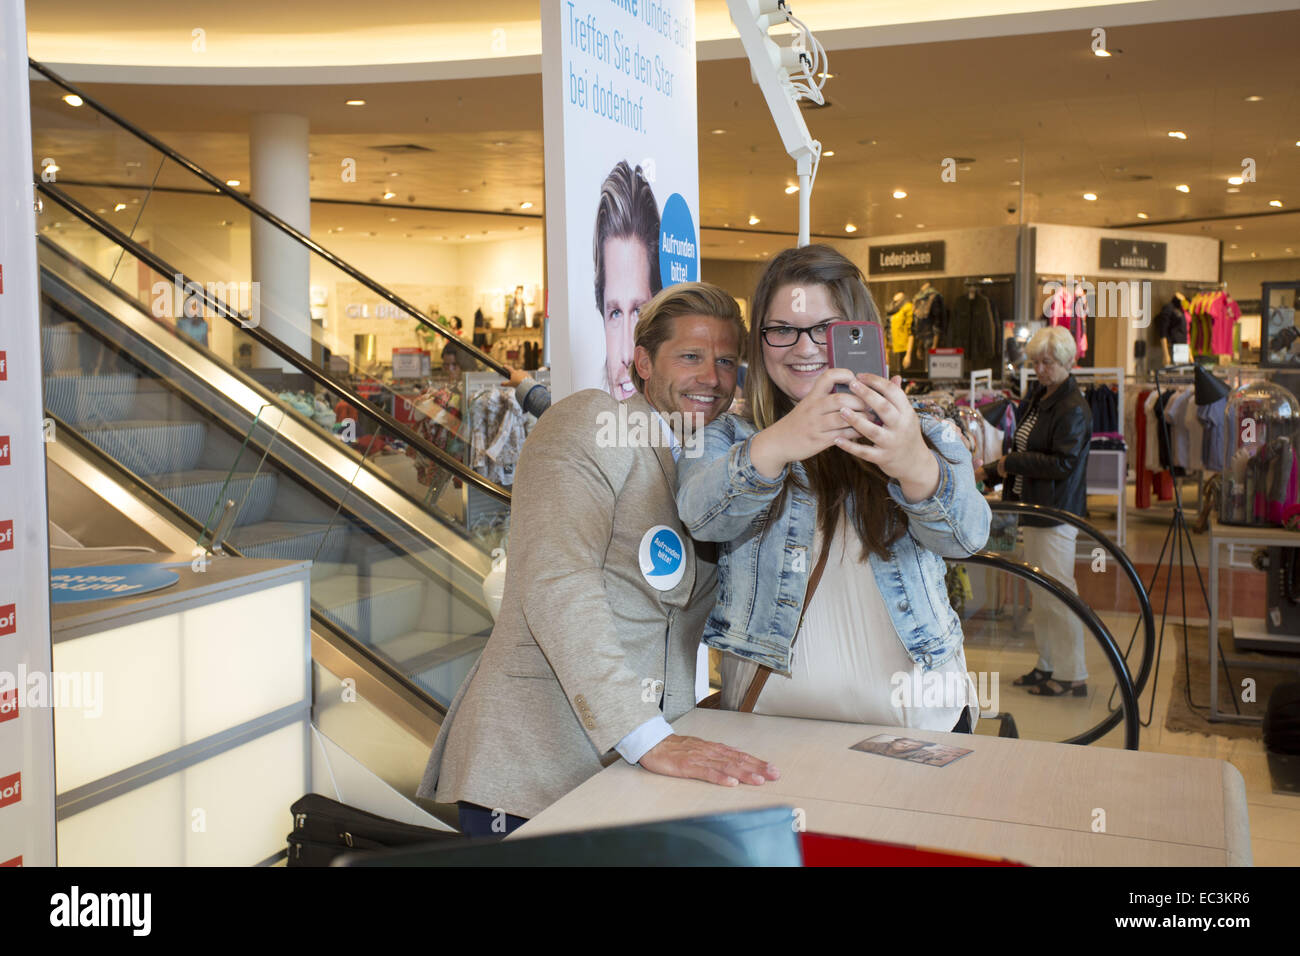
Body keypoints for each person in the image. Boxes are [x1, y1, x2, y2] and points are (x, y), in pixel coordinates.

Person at [417, 282, 779, 836]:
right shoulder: (591, 423)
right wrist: (647, 735)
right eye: (691, 356)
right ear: (641, 361)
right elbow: (559, 583)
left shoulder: (714, 465)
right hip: (534, 768)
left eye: (727, 360)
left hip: (645, 766)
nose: (712, 377)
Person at [676, 245, 990, 732]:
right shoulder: (731, 437)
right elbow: (701, 516)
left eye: (826, 329)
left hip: (917, 721)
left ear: (859, 333)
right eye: (781, 329)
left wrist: (914, 466)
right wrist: (777, 444)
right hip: (774, 722)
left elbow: (967, 537)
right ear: (759, 341)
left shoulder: (919, 429)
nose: (804, 348)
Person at [977, 325, 1092, 697]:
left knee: (1058, 595)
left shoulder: (1072, 407)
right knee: (1041, 594)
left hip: (1055, 513)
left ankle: (1073, 673)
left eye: (1048, 363)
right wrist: (1004, 468)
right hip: (1034, 509)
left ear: (1067, 363)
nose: (1041, 369)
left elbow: (1063, 464)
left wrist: (1009, 463)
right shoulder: (1041, 396)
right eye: (1037, 362)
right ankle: (1047, 664)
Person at [593, 160, 661, 401]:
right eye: (615, 313)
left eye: (639, 311)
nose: (626, 353)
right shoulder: (590, 423)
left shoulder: (691, 428)